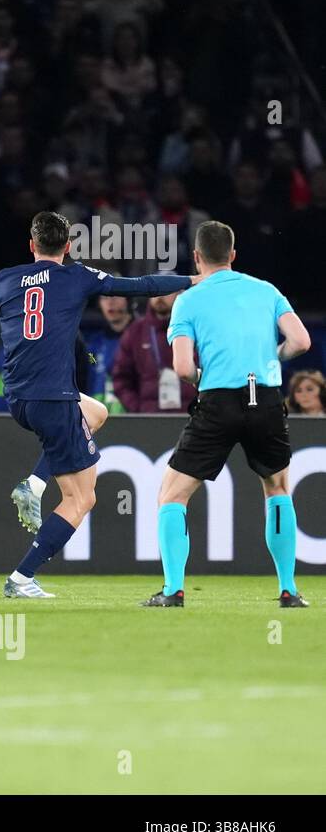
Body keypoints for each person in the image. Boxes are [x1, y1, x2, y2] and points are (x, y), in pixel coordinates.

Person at [0, 212, 195, 598]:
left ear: (31, 246)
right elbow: (141, 286)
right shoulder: (76, 275)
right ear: (68, 247)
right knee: (82, 498)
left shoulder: (5, 278)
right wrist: (191, 280)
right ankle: (21, 578)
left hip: (18, 396)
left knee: (96, 413)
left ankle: (33, 482)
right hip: (53, 398)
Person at [148, 221, 312, 608]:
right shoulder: (266, 291)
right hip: (267, 399)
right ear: (233, 255)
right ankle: (288, 590)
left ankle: (173, 591)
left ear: (197, 257)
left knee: (173, 494)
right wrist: (272, 357)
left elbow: (184, 367)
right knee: (277, 489)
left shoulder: (189, 299)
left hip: (218, 400)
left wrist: (206, 377)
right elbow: (302, 341)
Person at [110, 292, 197, 413]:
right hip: (148, 420)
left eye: (168, 291)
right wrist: (138, 409)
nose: (160, 296)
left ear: (181, 293)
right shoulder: (135, 332)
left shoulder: (196, 327)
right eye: (156, 291)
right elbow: (121, 379)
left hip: (190, 416)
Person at [84, 295, 131, 410]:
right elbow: (92, 363)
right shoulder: (94, 344)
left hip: (135, 415)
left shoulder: (141, 336)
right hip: (99, 414)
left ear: (129, 300)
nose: (110, 302)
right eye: (104, 298)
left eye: (117, 296)